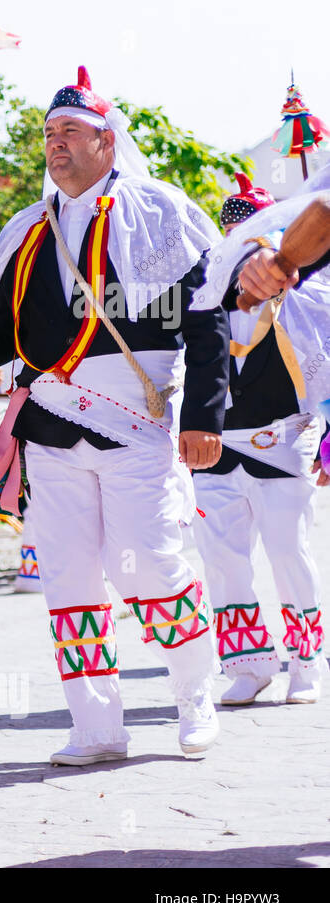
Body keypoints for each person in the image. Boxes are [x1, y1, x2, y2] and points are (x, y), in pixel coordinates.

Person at [0, 66, 229, 766]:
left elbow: (206, 325)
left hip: (138, 423)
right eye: (50, 133)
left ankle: (196, 694)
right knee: (69, 576)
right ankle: (97, 726)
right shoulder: (26, 229)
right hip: (50, 425)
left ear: (108, 143)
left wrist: (205, 415)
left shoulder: (163, 214)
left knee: (147, 565)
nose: (57, 145)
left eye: (72, 132)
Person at [191, 175, 330, 705]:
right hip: (218, 444)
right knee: (223, 559)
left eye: (255, 233)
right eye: (234, 233)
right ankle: (248, 664)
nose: (244, 243)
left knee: (288, 552)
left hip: (283, 438)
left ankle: (306, 662)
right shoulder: (206, 293)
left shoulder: (312, 294)